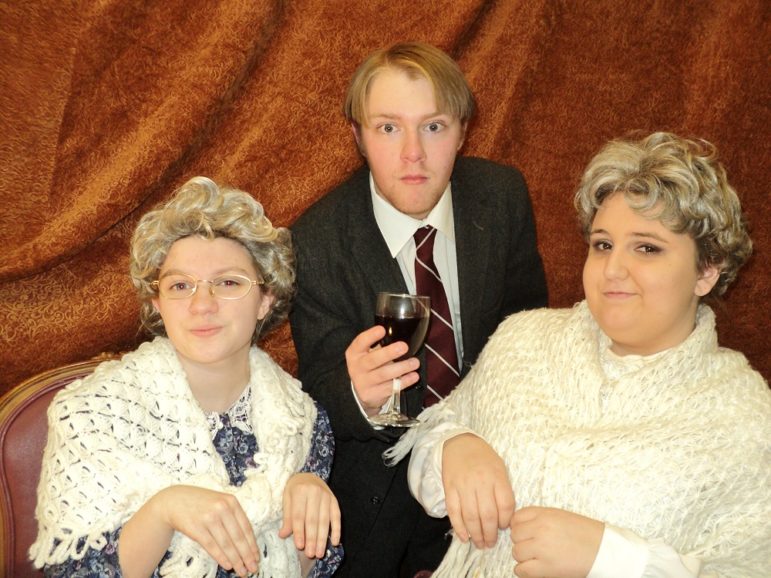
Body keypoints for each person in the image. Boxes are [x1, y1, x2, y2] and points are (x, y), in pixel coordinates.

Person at [386, 132, 771, 577]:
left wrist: (614, 560)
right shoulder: (522, 341)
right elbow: (433, 433)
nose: (613, 270)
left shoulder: (746, 419)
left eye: (647, 248)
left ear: (706, 270)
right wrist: (454, 447)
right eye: (603, 244)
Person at [289, 41, 548, 577]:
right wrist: (356, 394)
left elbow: (530, 335)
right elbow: (314, 398)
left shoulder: (501, 196)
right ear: (358, 136)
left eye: (433, 126)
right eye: (388, 128)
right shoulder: (315, 241)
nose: (413, 153)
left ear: (462, 131)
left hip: (501, 473)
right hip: (381, 508)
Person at [30, 177, 343, 577]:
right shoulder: (90, 416)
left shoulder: (304, 423)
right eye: (180, 285)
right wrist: (164, 510)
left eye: (228, 282)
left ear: (266, 299)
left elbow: (307, 569)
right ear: (157, 303)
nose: (202, 305)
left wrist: (306, 518)